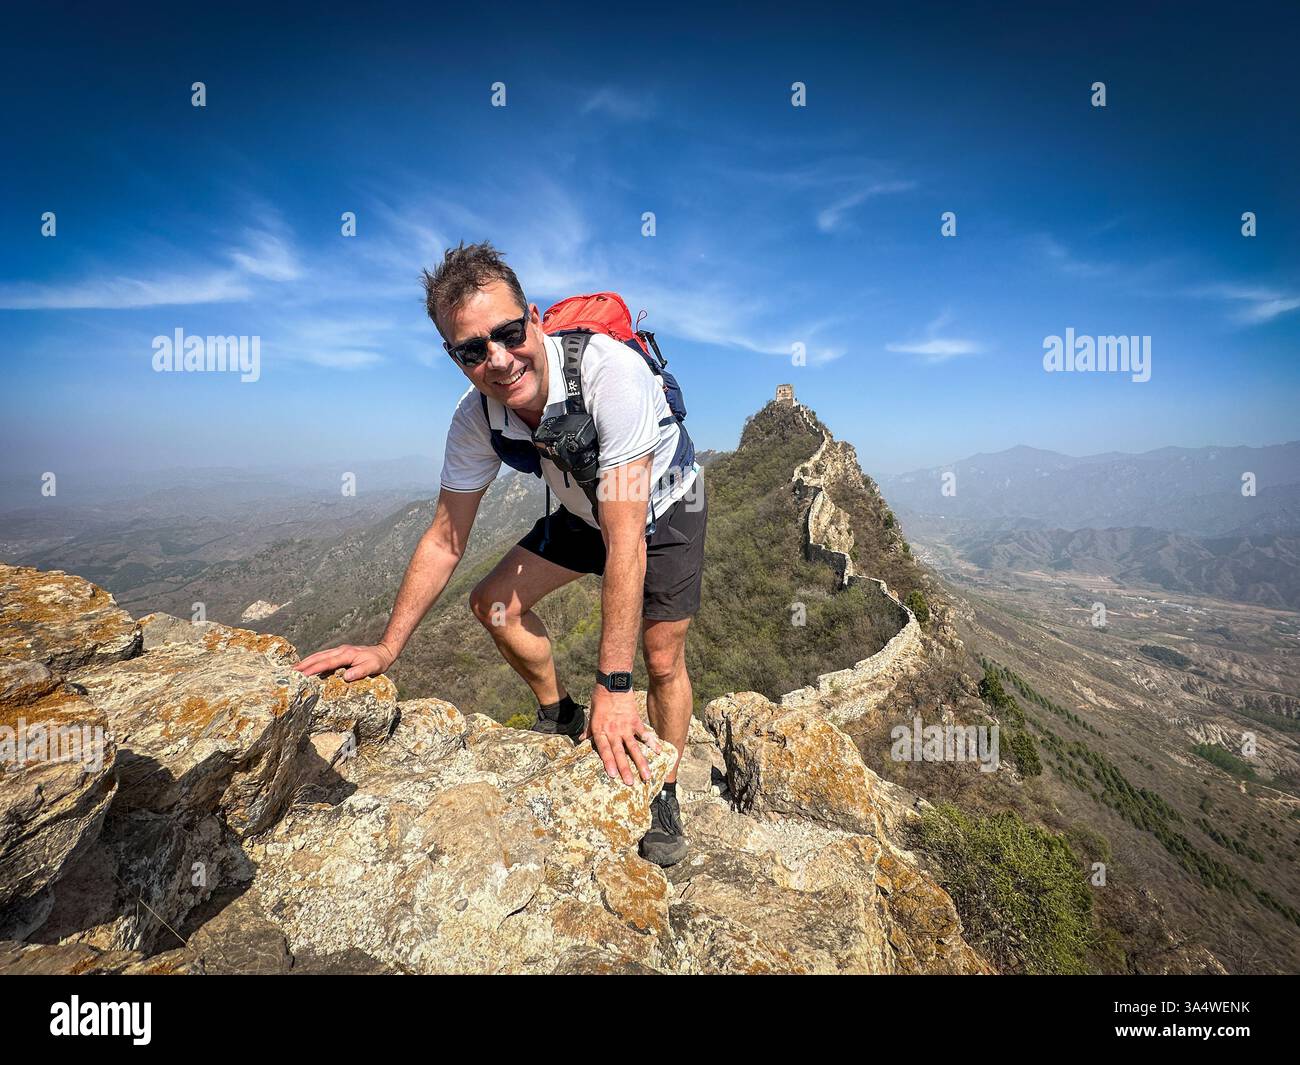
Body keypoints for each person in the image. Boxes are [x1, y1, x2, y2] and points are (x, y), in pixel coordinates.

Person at [295, 241, 707, 867]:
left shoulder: (609, 377)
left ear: (535, 318)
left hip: (664, 507)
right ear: (452, 356)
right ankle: (559, 714)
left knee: (660, 656)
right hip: (583, 511)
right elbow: (444, 537)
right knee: (493, 606)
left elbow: (628, 543)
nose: (498, 359)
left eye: (509, 333)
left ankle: (663, 791)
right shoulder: (477, 420)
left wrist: (614, 687)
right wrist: (387, 648)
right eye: (472, 350)